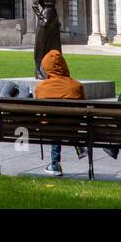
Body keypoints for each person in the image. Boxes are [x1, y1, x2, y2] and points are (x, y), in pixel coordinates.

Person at [34, 49, 86, 177]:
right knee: (67, 121)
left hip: (49, 127)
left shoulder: (41, 88)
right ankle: (78, 145)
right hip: (73, 126)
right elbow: (84, 106)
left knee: (55, 124)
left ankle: (55, 163)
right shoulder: (76, 86)